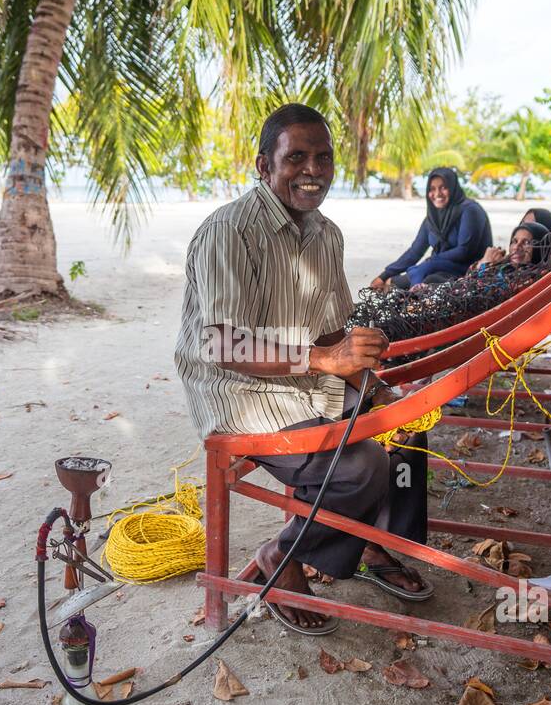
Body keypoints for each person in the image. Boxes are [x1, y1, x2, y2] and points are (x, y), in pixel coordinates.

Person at [174, 103, 433, 635]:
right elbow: (219, 341)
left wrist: (378, 390)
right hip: (240, 394)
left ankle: (375, 549)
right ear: (263, 164)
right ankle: (284, 556)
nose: (312, 170)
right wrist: (322, 360)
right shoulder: (230, 231)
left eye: (323, 158)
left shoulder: (326, 234)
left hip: (309, 385)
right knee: (361, 467)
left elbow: (332, 332)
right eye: (296, 158)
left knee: (408, 432)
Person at [370, 168, 491, 290]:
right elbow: (414, 252)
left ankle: (413, 300)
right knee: (394, 282)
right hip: (436, 268)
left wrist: (432, 260)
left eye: (443, 187)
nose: (437, 194)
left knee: (428, 280)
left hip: (467, 270)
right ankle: (412, 295)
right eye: (432, 189)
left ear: (453, 188)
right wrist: (384, 275)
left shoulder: (470, 210)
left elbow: (464, 251)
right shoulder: (432, 218)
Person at [471, 221, 551, 277]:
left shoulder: (532, 278)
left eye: (526, 242)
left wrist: (484, 265)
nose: (517, 247)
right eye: (514, 241)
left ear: (541, 248)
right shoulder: (506, 268)